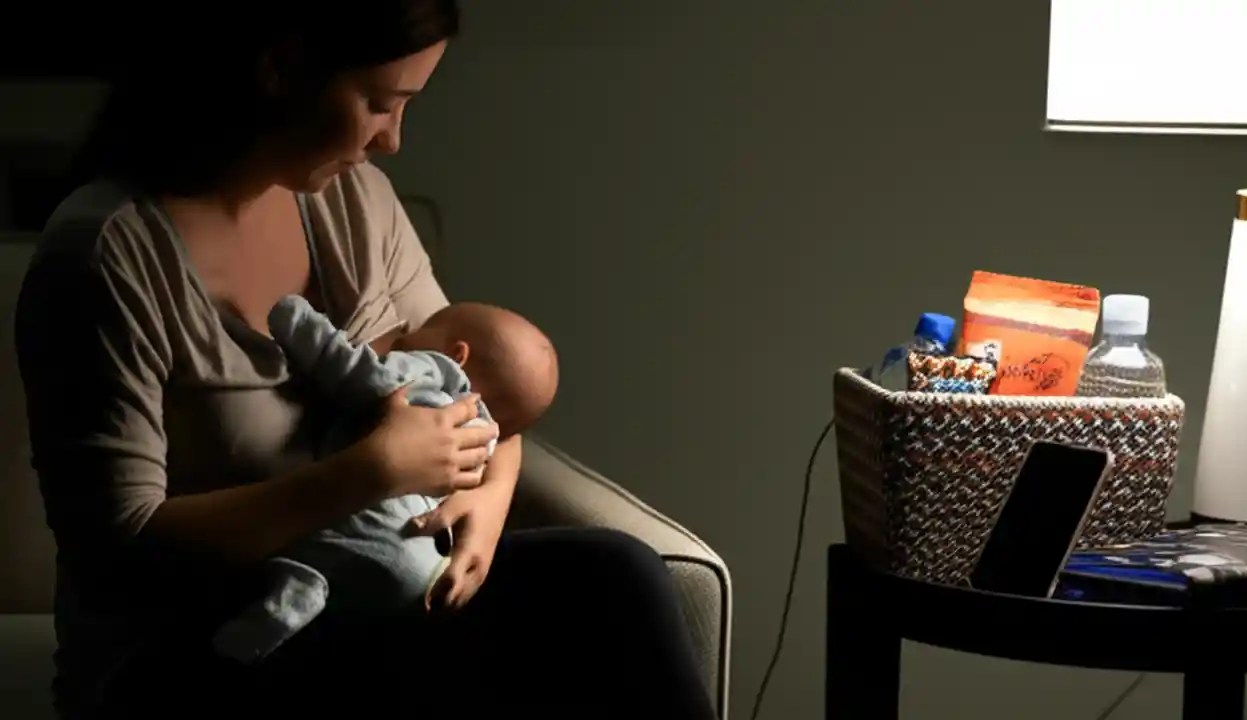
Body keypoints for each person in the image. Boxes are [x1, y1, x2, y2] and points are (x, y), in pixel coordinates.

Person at [13, 2, 718, 718]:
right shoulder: (107, 255)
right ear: (280, 70)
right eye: (382, 104)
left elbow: (472, 383)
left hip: (379, 603)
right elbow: (116, 551)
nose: (393, 141)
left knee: (614, 576)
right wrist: (370, 473)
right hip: (209, 645)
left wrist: (489, 493)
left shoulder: (357, 204)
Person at [212, 294, 559, 664]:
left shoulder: (431, 374)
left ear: (457, 355)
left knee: (327, 545)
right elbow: (509, 418)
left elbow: (356, 372)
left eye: (423, 330)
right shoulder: (483, 432)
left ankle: (302, 588)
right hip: (430, 565)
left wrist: (298, 324)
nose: (405, 333)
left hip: (373, 529)